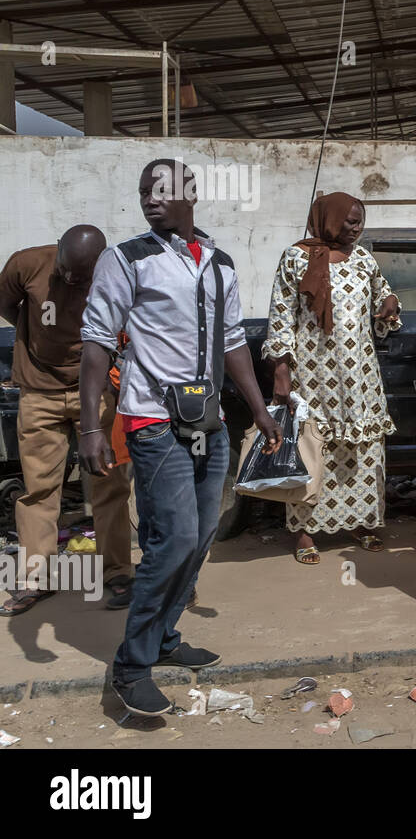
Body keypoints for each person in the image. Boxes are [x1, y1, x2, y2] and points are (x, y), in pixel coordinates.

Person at [79, 158, 282, 716]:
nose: (150, 199)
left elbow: (234, 342)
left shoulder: (219, 263)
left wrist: (260, 411)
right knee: (169, 542)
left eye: (162, 190)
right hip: (152, 421)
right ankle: (132, 666)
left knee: (199, 537)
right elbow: (97, 340)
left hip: (208, 422)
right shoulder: (126, 259)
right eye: (144, 191)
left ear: (191, 194)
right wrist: (91, 425)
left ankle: (165, 637)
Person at [0, 227, 134, 615]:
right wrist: (32, 341)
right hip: (38, 390)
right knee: (39, 489)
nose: (74, 280)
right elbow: (8, 306)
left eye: (83, 276)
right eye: (68, 271)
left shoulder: (115, 273)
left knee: (109, 484)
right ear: (57, 252)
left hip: (93, 391)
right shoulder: (26, 264)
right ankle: (34, 580)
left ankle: (117, 573)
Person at [264, 192, 403, 564]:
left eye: (360, 221)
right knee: (312, 448)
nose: (356, 227)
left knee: (362, 451)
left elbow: (382, 295)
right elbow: (281, 318)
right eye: (349, 220)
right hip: (313, 373)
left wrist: (389, 306)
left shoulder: (363, 259)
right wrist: (281, 370)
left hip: (359, 375)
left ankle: (361, 522)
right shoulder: (296, 257)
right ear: (329, 218)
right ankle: (305, 531)